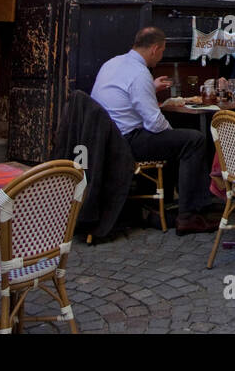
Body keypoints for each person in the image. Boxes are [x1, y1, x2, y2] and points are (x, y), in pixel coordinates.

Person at [91, 27, 216, 235]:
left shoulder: (112, 63)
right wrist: (173, 133)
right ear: (155, 49)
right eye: (162, 52)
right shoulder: (140, 74)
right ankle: (190, 215)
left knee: (180, 140)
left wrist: (151, 87)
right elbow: (155, 124)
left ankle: (169, 203)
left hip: (106, 138)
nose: (160, 57)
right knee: (193, 140)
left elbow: (126, 95)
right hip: (126, 142)